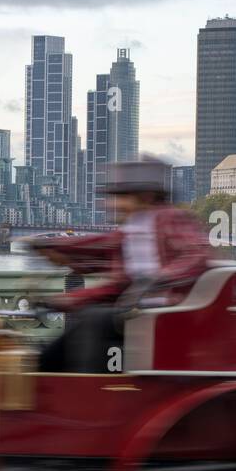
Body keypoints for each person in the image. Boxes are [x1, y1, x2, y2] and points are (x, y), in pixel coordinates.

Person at [25, 160, 210, 373]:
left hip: (172, 313)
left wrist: (159, 278)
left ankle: (90, 395)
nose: (112, 204)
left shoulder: (171, 219)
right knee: (78, 327)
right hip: (137, 311)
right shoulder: (132, 229)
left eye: (121, 197)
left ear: (145, 197)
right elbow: (113, 280)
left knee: (95, 320)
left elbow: (196, 255)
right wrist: (60, 301)